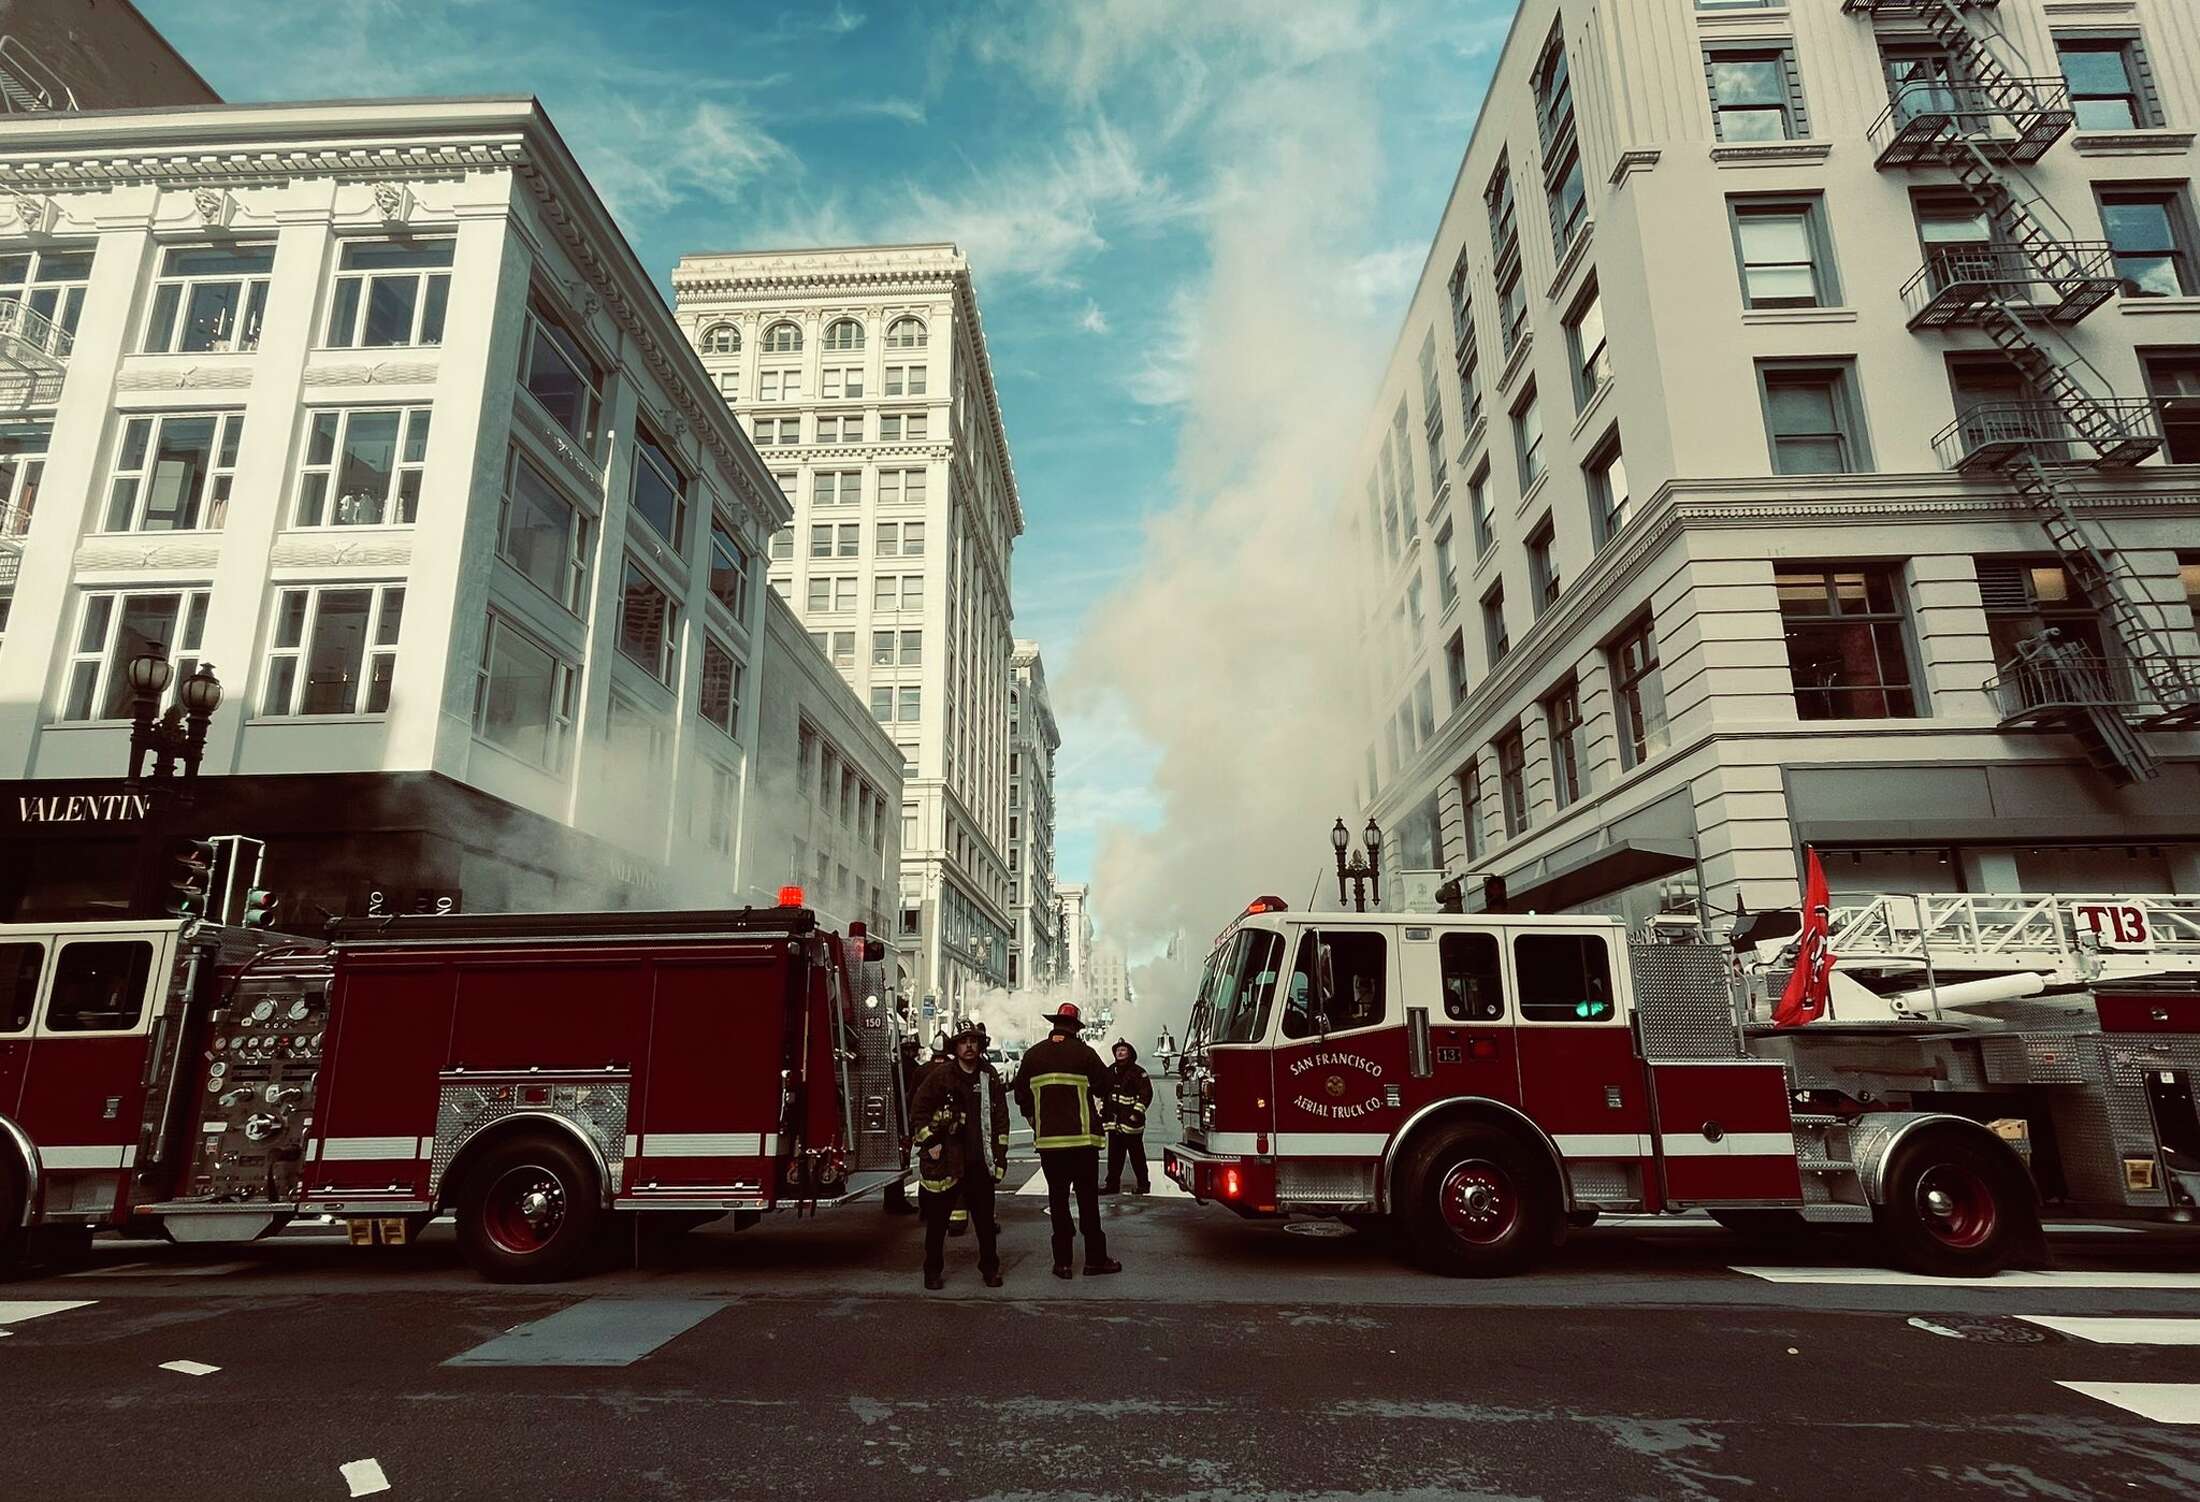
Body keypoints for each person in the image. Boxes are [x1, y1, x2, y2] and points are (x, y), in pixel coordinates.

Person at [1012, 1002, 1122, 1279]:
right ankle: (1094, 1260)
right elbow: (1106, 1085)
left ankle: (1062, 1263)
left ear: (1055, 1025)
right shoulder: (1084, 1054)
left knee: (1058, 1201)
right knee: (1087, 1201)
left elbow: (1021, 1095)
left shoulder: (1033, 1055)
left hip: (1050, 1144)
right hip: (1082, 1143)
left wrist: (1034, 1121)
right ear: (1075, 1028)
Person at [909, 1024, 1006, 1290]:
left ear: (980, 1045)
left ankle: (989, 1269)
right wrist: (930, 1141)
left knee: (985, 1223)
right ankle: (932, 1271)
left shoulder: (989, 1075)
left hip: (979, 1162)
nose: (969, 1046)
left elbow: (1000, 1119)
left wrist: (1000, 1156)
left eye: (974, 1041)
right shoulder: (941, 1076)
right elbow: (919, 1110)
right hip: (947, 1163)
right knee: (938, 1223)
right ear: (956, 1047)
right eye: (963, 1042)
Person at [1099, 1039, 1153, 1195]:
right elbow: (1104, 1091)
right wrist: (1104, 1112)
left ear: (1130, 1054)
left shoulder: (1138, 1072)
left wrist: (1136, 1113)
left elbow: (1146, 1094)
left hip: (1131, 1122)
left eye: (1123, 1050)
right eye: (1117, 1050)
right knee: (1114, 1157)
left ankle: (1143, 1184)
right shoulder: (1111, 1071)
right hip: (1115, 1124)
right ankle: (1112, 1185)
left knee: (1136, 1155)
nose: (1120, 1052)